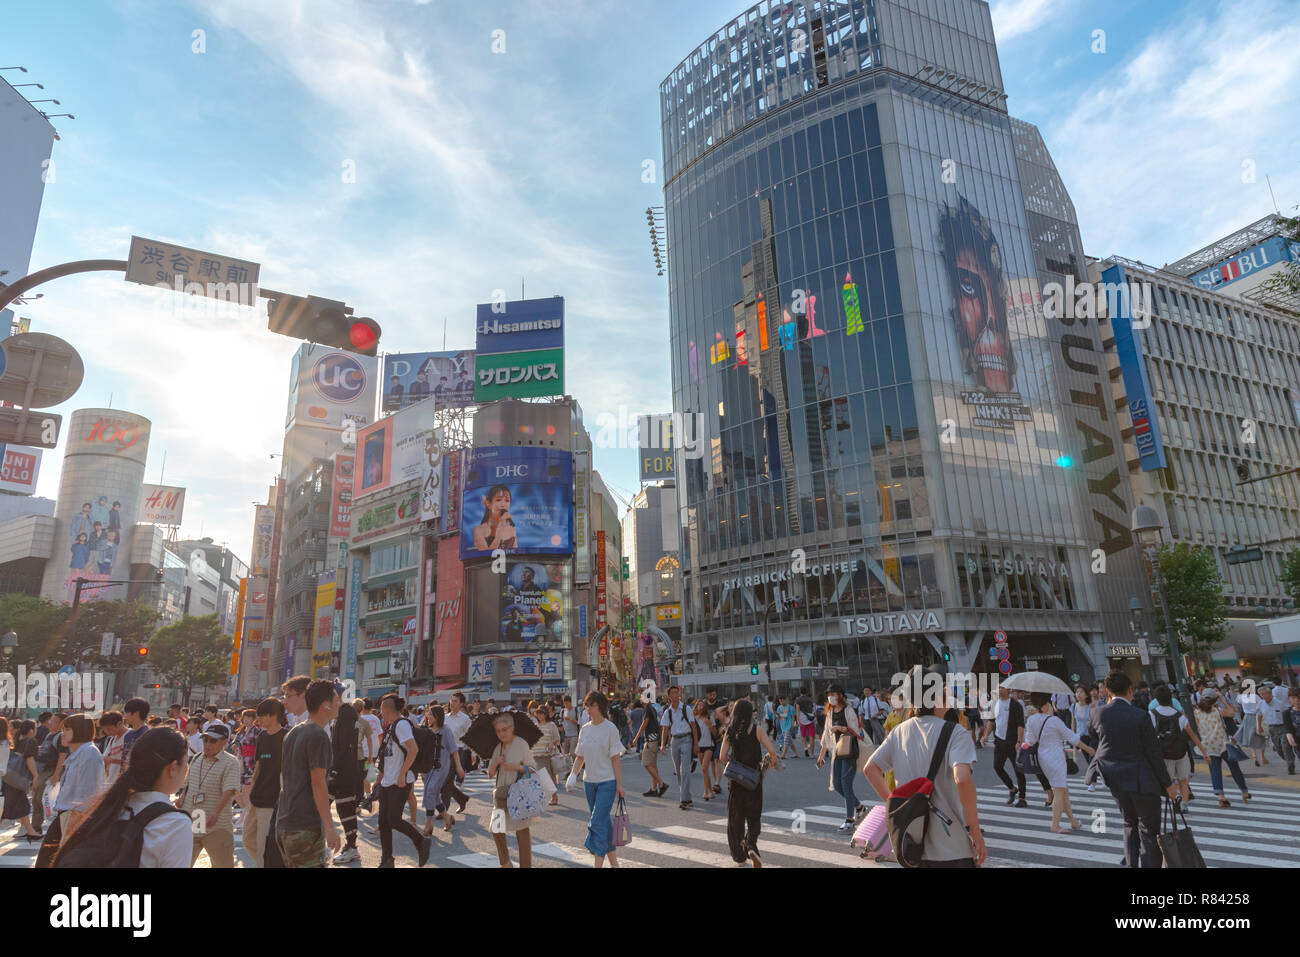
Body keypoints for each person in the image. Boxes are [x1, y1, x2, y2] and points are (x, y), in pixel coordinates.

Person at [864, 665, 987, 867]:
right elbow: (962, 778)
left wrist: (898, 805)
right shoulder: (956, 733)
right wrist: (975, 831)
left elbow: (871, 770)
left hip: (913, 844)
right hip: (952, 847)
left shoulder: (898, 732)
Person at [51, 728, 193, 869]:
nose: (187, 768)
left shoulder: (111, 807)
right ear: (173, 768)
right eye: (186, 761)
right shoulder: (175, 823)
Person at [1086, 671, 1178, 868]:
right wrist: (1168, 783)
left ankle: (1131, 864)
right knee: (1148, 830)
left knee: (1129, 824)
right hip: (1142, 780)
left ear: (1107, 691)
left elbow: (1095, 739)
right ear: (1130, 690)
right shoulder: (1140, 715)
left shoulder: (1097, 713)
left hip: (1115, 779)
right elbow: (1154, 754)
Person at [277, 680, 346, 868]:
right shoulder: (318, 735)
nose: (339, 703)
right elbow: (318, 784)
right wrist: (330, 828)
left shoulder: (293, 732)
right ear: (325, 704)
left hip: (286, 822)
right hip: (304, 825)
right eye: (336, 699)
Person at [367, 694, 430, 868]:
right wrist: (379, 779)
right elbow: (387, 757)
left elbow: (413, 749)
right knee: (383, 822)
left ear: (386, 709)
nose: (380, 712)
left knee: (393, 819)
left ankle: (421, 841)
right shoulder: (390, 726)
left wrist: (403, 773)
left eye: (381, 709)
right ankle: (387, 860)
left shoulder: (401, 725)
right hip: (388, 780)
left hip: (400, 781)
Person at [717, 698, 780, 867]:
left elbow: (722, 757)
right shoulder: (757, 729)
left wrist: (733, 763)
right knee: (753, 816)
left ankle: (739, 856)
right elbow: (772, 751)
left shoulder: (730, 730)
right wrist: (771, 761)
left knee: (735, 818)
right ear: (749, 713)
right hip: (753, 779)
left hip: (736, 780)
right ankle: (751, 843)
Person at [565, 691, 625, 867]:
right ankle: (614, 864)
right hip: (589, 782)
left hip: (607, 782)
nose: (588, 708)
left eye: (591, 705)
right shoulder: (585, 729)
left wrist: (619, 785)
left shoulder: (610, 729)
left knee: (597, 822)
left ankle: (597, 864)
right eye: (586, 705)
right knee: (603, 823)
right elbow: (580, 756)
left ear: (600, 706)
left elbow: (616, 759)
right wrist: (572, 775)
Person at [1023, 692, 1095, 833]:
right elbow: (1072, 738)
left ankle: (1073, 821)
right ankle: (1055, 825)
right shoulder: (1054, 721)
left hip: (1043, 758)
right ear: (1045, 705)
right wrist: (1089, 749)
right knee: (1059, 792)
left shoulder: (1031, 720)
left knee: (1063, 790)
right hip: (1056, 758)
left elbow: (1030, 741)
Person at [179, 723, 240, 868]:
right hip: (193, 818)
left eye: (213, 741)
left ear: (224, 742)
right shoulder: (197, 758)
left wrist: (216, 812)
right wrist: (182, 798)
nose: (208, 744)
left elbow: (230, 789)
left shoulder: (230, 762)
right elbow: (188, 783)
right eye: (205, 740)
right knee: (182, 863)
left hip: (216, 824)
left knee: (222, 865)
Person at [486, 713, 538, 868]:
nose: (502, 733)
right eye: (498, 731)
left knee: (522, 831)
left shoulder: (522, 744)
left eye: (505, 729)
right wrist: (496, 762)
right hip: (502, 794)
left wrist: (516, 767)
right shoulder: (498, 747)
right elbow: (490, 773)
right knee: (496, 829)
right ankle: (506, 863)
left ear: (512, 728)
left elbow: (533, 769)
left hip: (519, 792)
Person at [815, 684, 865, 831]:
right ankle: (859, 806)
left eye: (834, 694)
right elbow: (826, 734)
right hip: (837, 753)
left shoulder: (848, 710)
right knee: (837, 785)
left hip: (849, 752)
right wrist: (821, 755)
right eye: (829, 694)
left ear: (841, 695)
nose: (831, 697)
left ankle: (850, 819)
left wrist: (840, 728)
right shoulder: (830, 711)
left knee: (846, 784)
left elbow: (856, 730)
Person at [1190, 689, 1251, 808]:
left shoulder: (1196, 712)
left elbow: (1197, 728)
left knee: (1214, 770)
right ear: (1214, 700)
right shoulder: (1218, 711)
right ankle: (1244, 792)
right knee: (1234, 768)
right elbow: (1232, 712)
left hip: (1208, 745)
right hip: (1223, 744)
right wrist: (1222, 698)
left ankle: (1220, 796)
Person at [244, 697, 286, 868]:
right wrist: (250, 790)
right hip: (256, 797)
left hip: (271, 801)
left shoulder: (287, 737)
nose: (258, 720)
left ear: (273, 715)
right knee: (247, 839)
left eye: (261, 716)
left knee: (263, 847)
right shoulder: (261, 736)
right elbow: (259, 766)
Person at [1150, 684, 1204, 807]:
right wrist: (1204, 753)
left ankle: (1174, 801)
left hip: (1163, 753)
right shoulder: (1180, 716)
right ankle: (1184, 805)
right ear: (1171, 699)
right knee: (1183, 780)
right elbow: (1192, 735)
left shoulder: (1151, 714)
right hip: (1180, 752)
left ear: (1156, 699)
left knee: (1170, 780)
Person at [983, 684, 1031, 807]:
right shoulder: (994, 704)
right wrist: (986, 735)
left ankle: (1022, 798)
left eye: (1002, 687)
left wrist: (1019, 741)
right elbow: (991, 721)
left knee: (1018, 770)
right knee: (997, 767)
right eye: (998, 687)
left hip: (1013, 741)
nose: (999, 690)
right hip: (999, 741)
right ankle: (1012, 789)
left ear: (1008, 690)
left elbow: (1021, 725)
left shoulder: (1015, 705)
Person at [329, 700, 365, 863]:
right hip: (339, 768)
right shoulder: (342, 713)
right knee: (322, 806)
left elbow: (344, 745)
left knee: (345, 809)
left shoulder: (346, 713)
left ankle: (351, 847)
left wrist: (334, 770)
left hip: (343, 771)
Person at [420, 707, 464, 834]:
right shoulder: (427, 731)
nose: (428, 718)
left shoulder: (446, 730)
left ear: (437, 717)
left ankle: (428, 825)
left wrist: (459, 767)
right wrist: (422, 770)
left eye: (431, 716)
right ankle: (447, 818)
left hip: (441, 767)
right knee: (434, 795)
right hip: (428, 768)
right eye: (427, 715)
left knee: (430, 792)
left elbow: (454, 750)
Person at [1, 719, 40, 843]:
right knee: (17, 804)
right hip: (10, 778)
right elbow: (29, 759)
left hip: (8, 779)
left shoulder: (13, 742)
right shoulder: (6, 743)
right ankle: (30, 831)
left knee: (18, 804)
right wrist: (35, 776)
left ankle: (29, 831)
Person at [31, 711, 67, 833]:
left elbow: (62, 756)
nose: (50, 723)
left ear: (62, 724)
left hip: (51, 770)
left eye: (55, 721)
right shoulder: (49, 735)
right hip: (42, 769)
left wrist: (56, 775)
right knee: (36, 798)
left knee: (41, 798)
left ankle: (37, 827)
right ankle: (35, 826)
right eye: (51, 721)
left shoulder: (61, 736)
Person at [661, 686, 696, 809]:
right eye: (673, 693)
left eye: (677, 692)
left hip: (687, 739)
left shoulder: (686, 709)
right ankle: (688, 796)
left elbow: (693, 726)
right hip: (674, 740)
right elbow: (665, 729)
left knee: (685, 769)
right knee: (678, 771)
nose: (676, 695)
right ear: (669, 696)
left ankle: (684, 799)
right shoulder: (668, 712)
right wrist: (662, 745)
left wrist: (696, 744)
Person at [440, 693, 472, 814]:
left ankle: (444, 810)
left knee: (447, 780)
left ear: (461, 703)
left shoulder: (465, 719)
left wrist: (473, 754)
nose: (452, 703)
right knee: (443, 779)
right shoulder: (445, 717)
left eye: (455, 701)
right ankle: (462, 798)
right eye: (451, 700)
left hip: (458, 751)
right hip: (444, 751)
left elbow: (470, 738)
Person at [630, 698, 668, 796]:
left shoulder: (647, 709)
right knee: (653, 765)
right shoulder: (652, 708)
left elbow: (645, 723)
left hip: (650, 739)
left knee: (646, 763)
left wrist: (636, 737)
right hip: (655, 738)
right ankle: (654, 788)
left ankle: (661, 784)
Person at [1258, 685, 1294, 774]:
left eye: (1265, 694)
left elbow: (1287, 715)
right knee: (1278, 749)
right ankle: (1289, 759)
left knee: (1285, 746)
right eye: (1262, 694)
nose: (1264, 696)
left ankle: (1290, 765)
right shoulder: (1261, 703)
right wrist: (1259, 726)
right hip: (1272, 728)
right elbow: (1259, 715)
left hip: (1283, 727)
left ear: (1270, 694)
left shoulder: (1279, 703)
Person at [531, 705, 562, 808]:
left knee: (547, 776)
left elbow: (558, 739)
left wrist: (552, 743)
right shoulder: (535, 726)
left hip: (546, 755)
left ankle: (554, 796)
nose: (540, 716)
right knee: (541, 777)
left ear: (546, 714)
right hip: (535, 754)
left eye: (542, 713)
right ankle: (551, 796)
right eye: (538, 713)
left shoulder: (551, 725)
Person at [473, 484, 517, 550]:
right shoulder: (479, 530)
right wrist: (499, 533)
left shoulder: (512, 529)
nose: (503, 504)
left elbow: (516, 554)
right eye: (498, 500)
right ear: (488, 503)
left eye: (507, 500)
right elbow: (486, 556)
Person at [692, 699, 719, 802]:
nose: (701, 707)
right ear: (696, 707)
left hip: (709, 745)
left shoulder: (709, 717)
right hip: (699, 746)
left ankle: (705, 791)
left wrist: (710, 725)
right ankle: (710, 791)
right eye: (699, 705)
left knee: (704, 767)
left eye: (702, 705)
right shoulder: (694, 719)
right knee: (705, 770)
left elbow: (715, 732)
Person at [120, 698, 150, 775]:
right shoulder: (128, 735)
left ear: (136, 714)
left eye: (127, 713)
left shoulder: (147, 734)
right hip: (126, 778)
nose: (125, 716)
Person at [97, 711, 126, 787]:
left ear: (120, 724)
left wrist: (113, 760)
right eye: (104, 730)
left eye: (109, 729)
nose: (107, 732)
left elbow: (133, 761)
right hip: (111, 781)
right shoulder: (112, 739)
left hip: (123, 782)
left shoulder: (129, 736)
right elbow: (105, 757)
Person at [795, 688, 816, 757]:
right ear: (806, 692)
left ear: (800, 692)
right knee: (811, 737)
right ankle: (812, 754)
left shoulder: (798, 700)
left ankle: (805, 749)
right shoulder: (810, 699)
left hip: (802, 720)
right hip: (810, 720)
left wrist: (798, 720)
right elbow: (813, 709)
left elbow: (797, 710)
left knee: (803, 736)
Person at [1284, 688, 1300, 776]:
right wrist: (1289, 735)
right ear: (1289, 699)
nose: (1297, 700)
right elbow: (1287, 727)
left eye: (1299, 697)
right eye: (1293, 697)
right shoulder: (1287, 713)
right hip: (1298, 741)